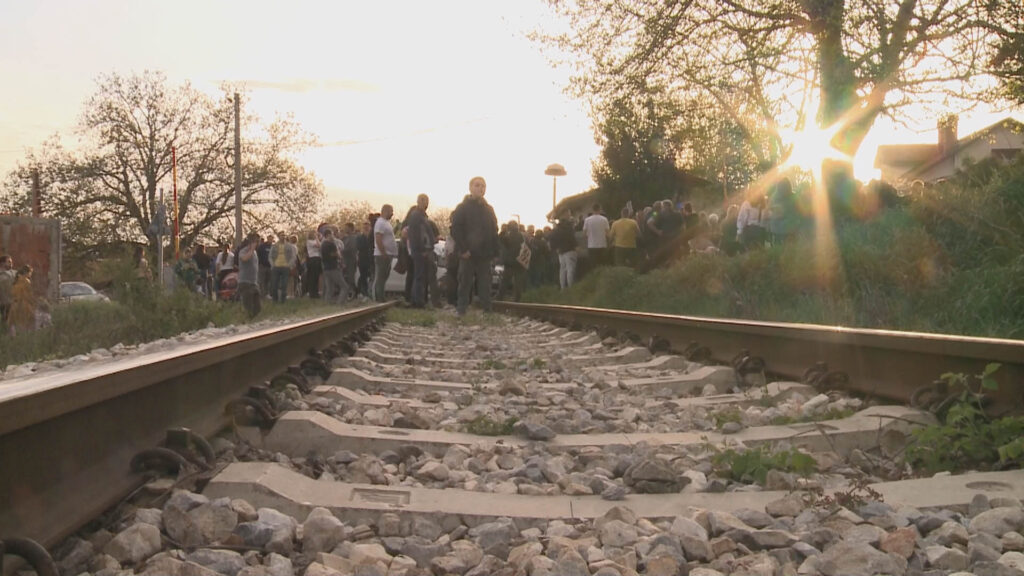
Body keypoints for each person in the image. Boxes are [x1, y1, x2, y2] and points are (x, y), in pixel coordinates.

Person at [451, 176, 500, 316]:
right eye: (477, 185)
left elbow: (494, 230)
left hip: (485, 254)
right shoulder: (462, 208)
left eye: (483, 186)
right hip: (468, 253)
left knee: (485, 283)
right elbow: (456, 229)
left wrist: (495, 252)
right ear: (470, 188)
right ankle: (461, 309)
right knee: (465, 282)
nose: (480, 188)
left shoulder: (489, 209)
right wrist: (463, 249)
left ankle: (487, 310)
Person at [405, 194, 435, 308]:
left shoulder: (422, 216)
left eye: (426, 200)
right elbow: (416, 235)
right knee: (419, 276)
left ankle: (417, 300)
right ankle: (417, 301)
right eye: (423, 200)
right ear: (418, 201)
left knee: (420, 276)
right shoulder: (416, 216)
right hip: (419, 251)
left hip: (423, 250)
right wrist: (422, 249)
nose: (425, 203)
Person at [373, 204, 398, 302]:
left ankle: (381, 296)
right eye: (391, 211)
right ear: (385, 211)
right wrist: (383, 252)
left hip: (388, 254)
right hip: (382, 255)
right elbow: (378, 238)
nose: (392, 214)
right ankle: (378, 298)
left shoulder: (386, 223)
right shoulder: (380, 223)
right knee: (380, 277)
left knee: (384, 277)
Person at [498, 220, 527, 302]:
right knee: (518, 283)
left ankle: (500, 298)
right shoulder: (522, 236)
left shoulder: (507, 237)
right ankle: (518, 300)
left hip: (510, 263)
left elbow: (501, 242)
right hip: (520, 263)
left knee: (504, 282)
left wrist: (503, 231)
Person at [236, 232, 261, 317]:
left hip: (253, 282)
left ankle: (253, 319)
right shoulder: (243, 251)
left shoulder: (255, 253)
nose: (258, 243)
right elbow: (244, 258)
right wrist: (251, 249)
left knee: (257, 307)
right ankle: (245, 319)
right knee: (248, 306)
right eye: (257, 241)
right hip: (245, 282)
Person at [548, 216, 577, 290]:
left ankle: (562, 287)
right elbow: (572, 239)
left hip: (560, 252)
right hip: (570, 250)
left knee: (562, 270)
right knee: (570, 269)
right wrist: (576, 246)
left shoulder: (555, 230)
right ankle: (571, 287)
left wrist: (555, 248)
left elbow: (551, 239)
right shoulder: (568, 229)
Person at [269, 233, 298, 303]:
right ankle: (275, 300)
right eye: (281, 235)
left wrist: (289, 264)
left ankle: (283, 300)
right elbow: (270, 256)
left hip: (285, 266)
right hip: (276, 266)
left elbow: (293, 256)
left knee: (284, 284)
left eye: (284, 235)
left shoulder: (289, 246)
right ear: (279, 237)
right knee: (274, 284)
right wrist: (272, 264)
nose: (283, 236)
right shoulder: (274, 246)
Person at [320, 228, 346, 304]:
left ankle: (327, 303)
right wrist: (339, 255)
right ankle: (340, 302)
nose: (333, 236)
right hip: (334, 267)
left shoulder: (322, 245)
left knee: (330, 288)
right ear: (328, 235)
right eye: (332, 234)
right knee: (344, 286)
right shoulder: (331, 244)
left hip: (326, 268)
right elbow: (338, 255)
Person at [9, 265, 36, 334]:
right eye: (30, 272)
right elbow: (28, 295)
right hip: (24, 306)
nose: (30, 274)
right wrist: (33, 303)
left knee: (16, 326)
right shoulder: (26, 281)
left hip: (15, 305)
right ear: (26, 272)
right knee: (26, 327)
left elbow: (12, 294)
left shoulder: (16, 281)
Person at [356, 221, 374, 298]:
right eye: (365, 228)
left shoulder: (372, 236)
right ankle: (363, 292)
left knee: (370, 275)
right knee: (363, 276)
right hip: (362, 259)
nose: (366, 229)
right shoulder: (359, 237)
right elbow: (359, 247)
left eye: (368, 227)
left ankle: (368, 291)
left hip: (371, 259)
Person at [341, 223, 359, 300]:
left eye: (346, 227)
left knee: (351, 277)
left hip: (351, 260)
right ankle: (347, 293)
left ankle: (353, 293)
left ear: (350, 228)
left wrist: (341, 251)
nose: (345, 229)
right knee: (346, 277)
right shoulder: (345, 238)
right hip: (345, 260)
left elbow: (351, 248)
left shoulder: (353, 238)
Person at [305, 230, 322, 298]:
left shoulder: (315, 240)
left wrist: (317, 239)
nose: (316, 235)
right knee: (312, 276)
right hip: (312, 258)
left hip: (318, 258)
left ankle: (316, 292)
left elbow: (320, 246)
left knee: (316, 276)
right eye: (315, 234)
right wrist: (317, 238)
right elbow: (318, 246)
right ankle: (312, 292)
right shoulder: (309, 241)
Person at [0, 255, 15, 330]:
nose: (11, 264)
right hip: (3, 303)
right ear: (2, 263)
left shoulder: (14, 273)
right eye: (9, 262)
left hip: (12, 303)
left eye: (11, 262)